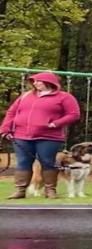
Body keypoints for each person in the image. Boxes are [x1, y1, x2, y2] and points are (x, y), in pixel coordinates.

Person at [2, 71, 82, 200]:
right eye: (34, 81)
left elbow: (73, 114)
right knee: (23, 162)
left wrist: (55, 124)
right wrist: (5, 128)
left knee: (48, 162)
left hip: (48, 137)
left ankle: (50, 190)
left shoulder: (64, 97)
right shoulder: (26, 96)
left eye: (39, 81)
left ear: (49, 82)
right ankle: (20, 190)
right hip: (21, 135)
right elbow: (11, 112)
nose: (35, 83)